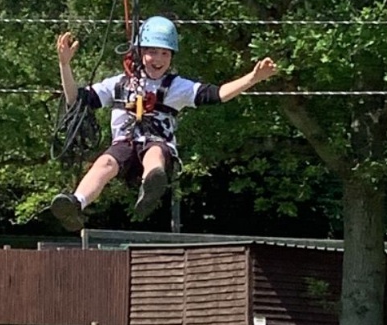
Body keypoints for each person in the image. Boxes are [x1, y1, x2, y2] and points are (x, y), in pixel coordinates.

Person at [49, 15, 277, 230]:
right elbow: (75, 99)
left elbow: (218, 94)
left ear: (171, 57)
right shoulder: (119, 84)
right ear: (140, 53)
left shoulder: (177, 87)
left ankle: (152, 182)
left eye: (164, 53)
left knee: (155, 152)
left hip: (158, 143)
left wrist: (253, 78)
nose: (158, 59)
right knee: (104, 163)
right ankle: (76, 203)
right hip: (124, 145)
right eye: (152, 52)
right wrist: (64, 65)